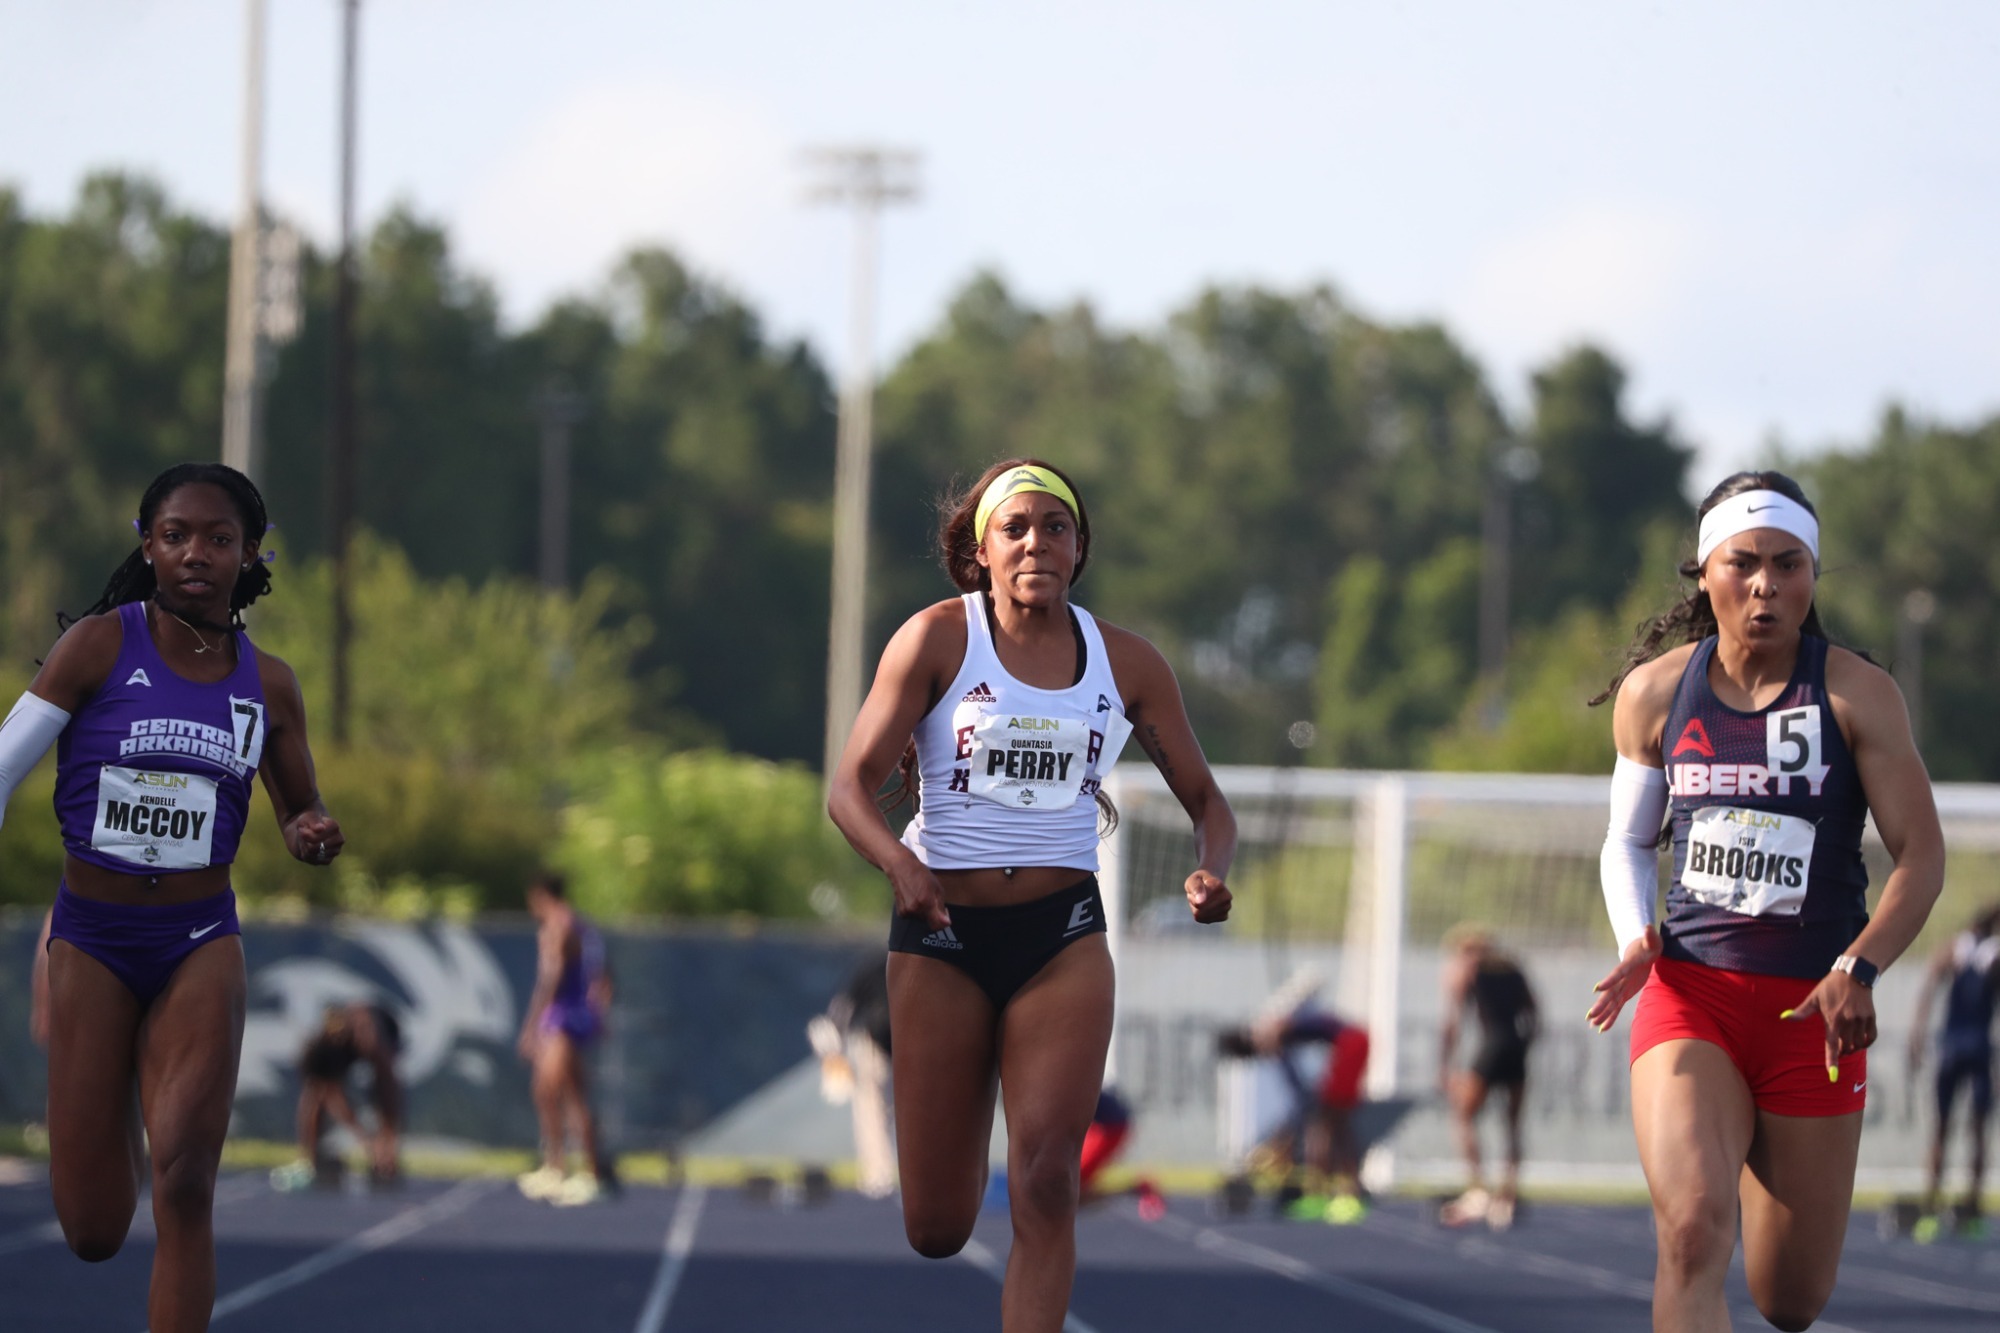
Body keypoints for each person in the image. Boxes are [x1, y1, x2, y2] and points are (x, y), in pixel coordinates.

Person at [827, 458, 1234, 1333]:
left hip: (1063, 940)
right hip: (941, 937)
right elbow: (849, 788)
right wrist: (903, 868)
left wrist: (1212, 869)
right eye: (1016, 527)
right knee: (937, 1226)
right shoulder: (937, 638)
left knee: (1049, 1180)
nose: (1036, 543)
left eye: (1056, 527)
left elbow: (1209, 805)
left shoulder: (1126, 663)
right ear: (982, 550)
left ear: (1079, 547)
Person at [1586, 470, 1944, 1332]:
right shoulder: (1657, 694)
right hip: (1690, 995)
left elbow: (1922, 856)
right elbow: (1629, 840)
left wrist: (1860, 967)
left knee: (1790, 1299)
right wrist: (1637, 937)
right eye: (1743, 562)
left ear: (1812, 577)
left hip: (1811, 1013)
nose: (1765, 584)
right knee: (1693, 1229)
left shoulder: (1858, 695)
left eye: (1789, 565)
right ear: (1704, 572)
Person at [0, 462, 342, 1333]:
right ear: (146, 545)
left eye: (219, 539)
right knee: (92, 1230)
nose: (197, 553)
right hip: (91, 940)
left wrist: (308, 830)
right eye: (177, 535)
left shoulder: (269, 684)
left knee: (186, 1184)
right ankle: (109, 1081)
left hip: (197, 938)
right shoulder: (101, 646)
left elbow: (300, 806)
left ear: (250, 554)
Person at [516, 872, 614, 1206]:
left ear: (540, 895)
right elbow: (603, 976)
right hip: (573, 1014)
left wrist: (531, 1025)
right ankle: (557, 1166)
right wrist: (599, 1012)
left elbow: (551, 978)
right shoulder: (583, 926)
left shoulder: (558, 926)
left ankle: (588, 1173)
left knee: (564, 1093)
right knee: (552, 1091)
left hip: (563, 1015)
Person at [1436, 924, 1538, 1230]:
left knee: (1464, 1115)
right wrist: (1525, 1045)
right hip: (1516, 1046)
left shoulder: (1467, 971)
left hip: (1492, 1046)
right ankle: (1507, 1195)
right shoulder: (1514, 971)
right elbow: (1534, 1013)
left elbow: (1452, 1022)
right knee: (1512, 1124)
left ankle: (1478, 1189)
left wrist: (1446, 1065)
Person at [1907, 903, 2000, 1230]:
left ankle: (1948, 1202)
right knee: (1965, 1127)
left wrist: (1917, 1033)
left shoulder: (1963, 951)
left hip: (1959, 1047)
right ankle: (1956, 1203)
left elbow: (1930, 985)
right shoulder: (1975, 952)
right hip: (1969, 1049)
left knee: (1953, 1128)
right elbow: (1931, 984)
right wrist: (1917, 1032)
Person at [271, 1002, 403, 1192]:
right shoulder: (323, 1048)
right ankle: (310, 1160)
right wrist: (364, 1137)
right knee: (314, 1096)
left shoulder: (377, 1044)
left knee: (384, 1096)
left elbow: (389, 1096)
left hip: (383, 1034)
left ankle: (386, 1158)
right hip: (330, 1056)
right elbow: (331, 1096)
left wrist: (385, 1146)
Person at [808, 951, 896, 1198]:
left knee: (871, 1111)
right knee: (871, 1109)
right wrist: (835, 1050)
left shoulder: (877, 963)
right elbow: (845, 1006)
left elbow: (842, 1007)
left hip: (894, 1041)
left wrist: (833, 1043)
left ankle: (878, 1176)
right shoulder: (886, 964)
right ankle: (878, 1174)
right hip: (880, 1042)